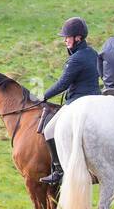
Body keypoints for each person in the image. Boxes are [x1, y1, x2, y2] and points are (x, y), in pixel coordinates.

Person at [39, 17, 101, 186]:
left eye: (67, 37)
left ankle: (58, 170)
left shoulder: (76, 59)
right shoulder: (93, 53)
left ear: (78, 38)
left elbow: (62, 84)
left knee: (49, 129)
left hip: (78, 101)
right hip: (96, 99)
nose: (65, 40)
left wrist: (43, 96)